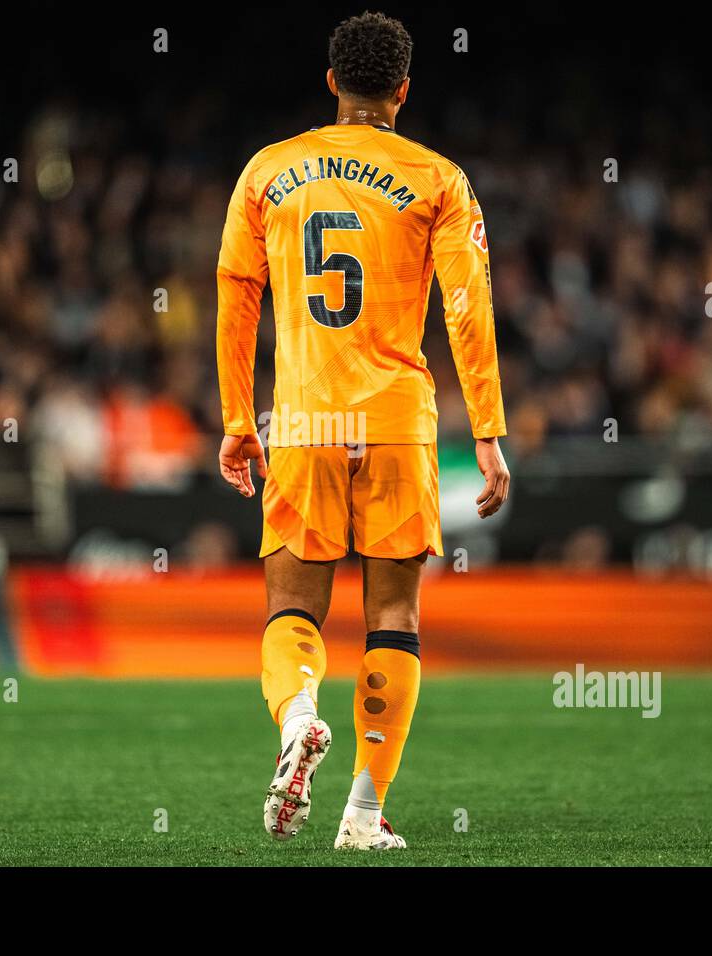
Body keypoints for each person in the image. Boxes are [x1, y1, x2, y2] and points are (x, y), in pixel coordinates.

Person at [215, 11, 509, 851]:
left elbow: (236, 298)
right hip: (396, 423)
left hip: (304, 419)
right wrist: (487, 430)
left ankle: (299, 716)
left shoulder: (269, 171)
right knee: (395, 620)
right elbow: (468, 308)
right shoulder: (438, 179)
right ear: (405, 91)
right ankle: (362, 814)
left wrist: (240, 420)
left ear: (331, 81)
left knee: (292, 605)